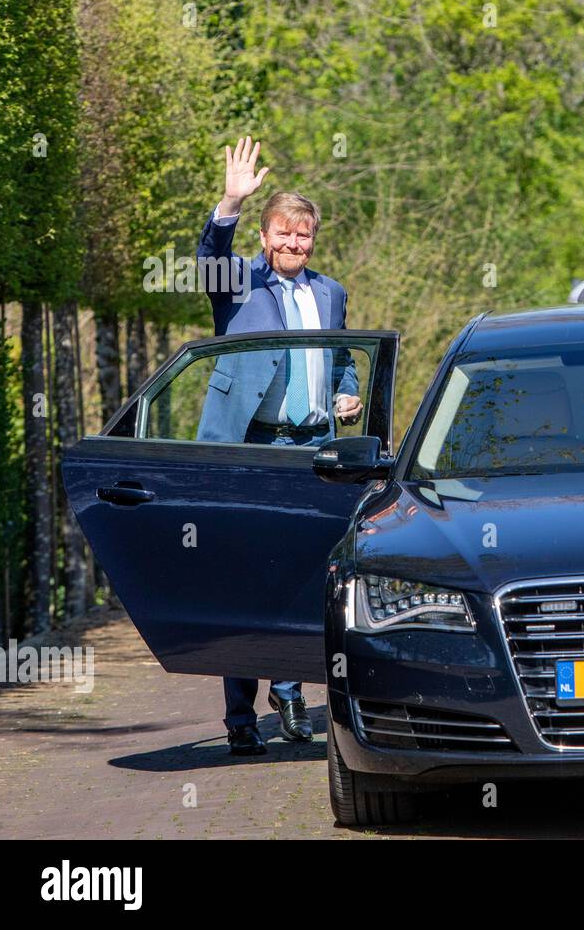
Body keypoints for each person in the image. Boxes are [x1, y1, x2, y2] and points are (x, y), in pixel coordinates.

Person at [196, 135, 362, 756]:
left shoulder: (331, 293)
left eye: (304, 237)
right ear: (265, 238)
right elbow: (207, 256)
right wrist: (229, 204)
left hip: (315, 450)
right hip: (250, 449)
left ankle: (290, 688)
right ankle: (240, 722)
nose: (294, 246)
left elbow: (345, 358)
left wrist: (347, 393)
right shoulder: (237, 284)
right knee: (240, 579)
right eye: (284, 235)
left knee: (306, 574)